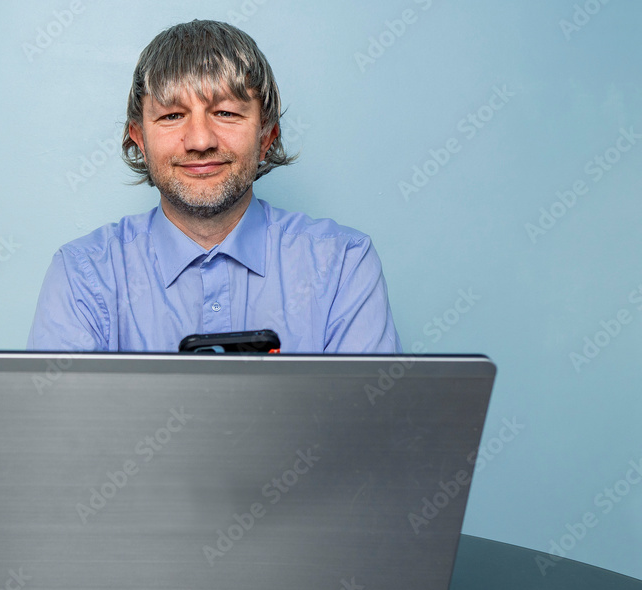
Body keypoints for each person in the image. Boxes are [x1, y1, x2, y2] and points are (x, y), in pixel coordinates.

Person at [27, 19, 401, 353]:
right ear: (139, 139)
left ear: (266, 135)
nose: (200, 140)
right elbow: (66, 428)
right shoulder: (81, 274)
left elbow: (367, 426)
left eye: (225, 113)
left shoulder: (343, 266)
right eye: (173, 115)